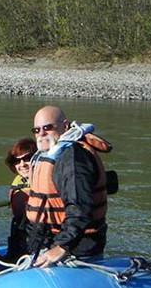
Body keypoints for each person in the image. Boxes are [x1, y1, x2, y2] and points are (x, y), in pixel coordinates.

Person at [25, 106, 112, 268]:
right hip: (52, 239)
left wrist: (61, 247)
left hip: (78, 249)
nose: (42, 133)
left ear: (65, 126)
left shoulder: (72, 159)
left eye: (47, 127)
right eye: (36, 130)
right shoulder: (50, 155)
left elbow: (79, 207)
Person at [4, 137, 37, 263]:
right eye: (17, 161)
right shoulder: (19, 182)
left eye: (27, 159)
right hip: (21, 236)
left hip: (38, 242)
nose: (22, 164)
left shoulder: (47, 183)